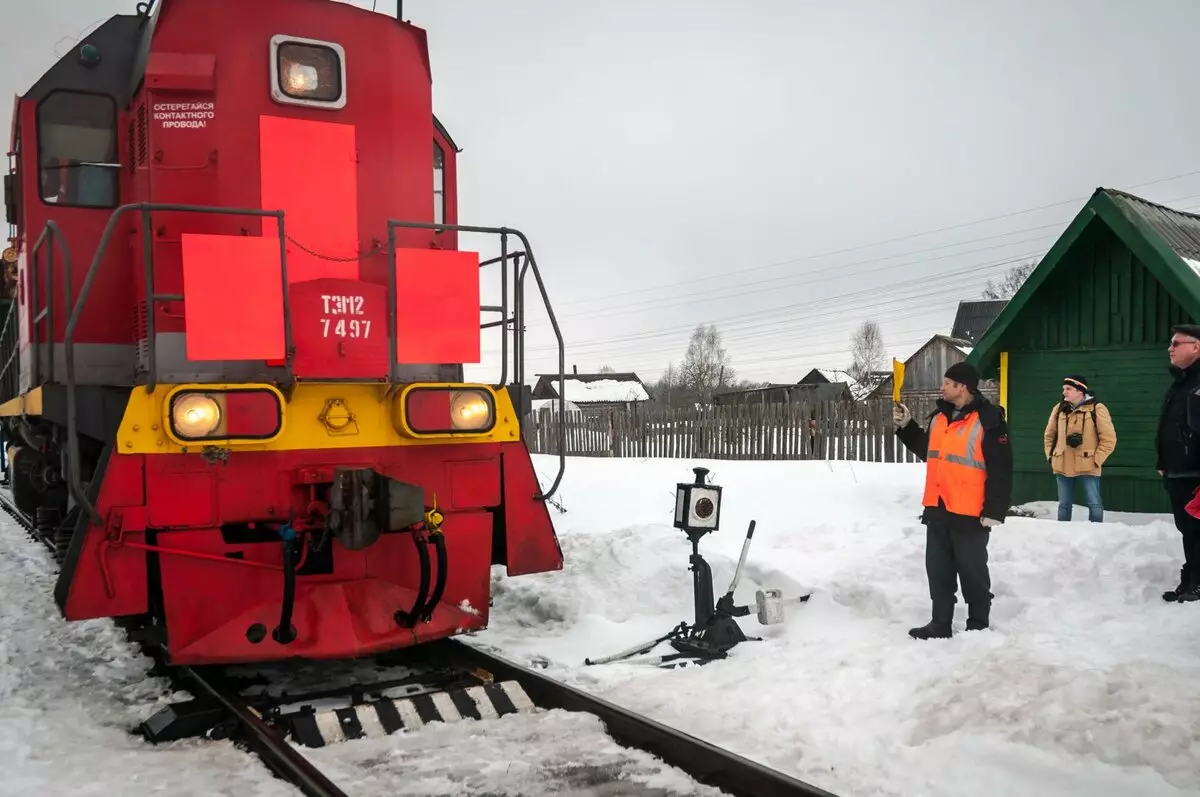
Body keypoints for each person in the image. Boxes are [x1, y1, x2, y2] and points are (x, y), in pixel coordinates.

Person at [893, 362, 1012, 639]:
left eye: (948, 383)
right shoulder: (939, 417)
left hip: (970, 511)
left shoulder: (989, 419)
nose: (942, 387)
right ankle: (940, 623)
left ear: (963, 387)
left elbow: (1001, 468)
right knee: (938, 569)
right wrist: (907, 426)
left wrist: (995, 509)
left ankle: (978, 624)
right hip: (937, 506)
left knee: (973, 570)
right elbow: (929, 451)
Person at [1157, 324, 1200, 603]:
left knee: (1198, 530)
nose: (1170, 348)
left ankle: (1197, 582)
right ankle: (1191, 579)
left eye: (1176, 343)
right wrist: (1163, 462)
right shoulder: (1181, 383)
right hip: (1177, 472)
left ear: (1196, 347)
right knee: (1187, 530)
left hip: (1195, 473)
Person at [1042, 375, 1117, 523]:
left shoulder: (1097, 408)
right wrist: (1051, 457)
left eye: (1068, 389)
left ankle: (1096, 534)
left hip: (1088, 464)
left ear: (1080, 390)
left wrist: (1096, 460)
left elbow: (1109, 439)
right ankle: (1063, 535)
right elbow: (1049, 436)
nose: (1064, 392)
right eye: (1064, 389)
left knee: (1094, 504)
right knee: (1064, 505)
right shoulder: (1059, 409)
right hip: (1062, 462)